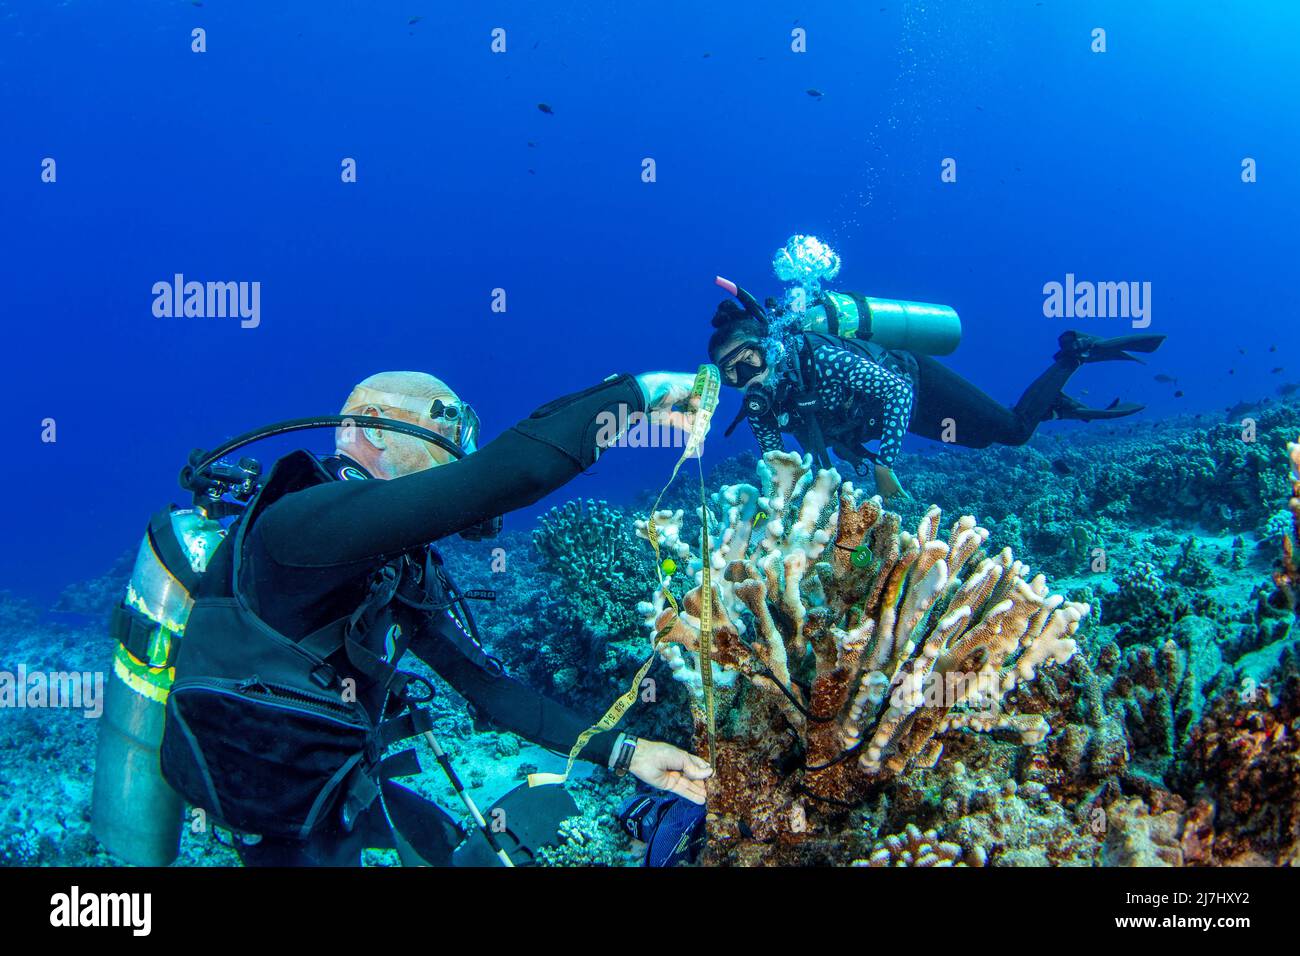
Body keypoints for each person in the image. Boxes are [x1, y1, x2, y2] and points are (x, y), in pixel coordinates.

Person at [165, 368, 711, 866]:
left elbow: (489, 687)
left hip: (336, 782)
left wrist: (629, 753)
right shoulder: (298, 524)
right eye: (450, 425)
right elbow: (511, 473)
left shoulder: (392, 567)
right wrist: (642, 392)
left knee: (456, 850)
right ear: (374, 428)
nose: (464, 448)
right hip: (278, 803)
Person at [707, 288, 1165, 499]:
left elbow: (896, 391)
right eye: (730, 374)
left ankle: (1074, 354)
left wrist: (885, 467)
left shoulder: (820, 358)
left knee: (1013, 433)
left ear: (772, 347)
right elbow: (780, 468)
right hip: (882, 416)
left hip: (914, 384)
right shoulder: (761, 408)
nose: (745, 379)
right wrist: (781, 506)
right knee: (982, 439)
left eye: (749, 361)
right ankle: (1053, 406)